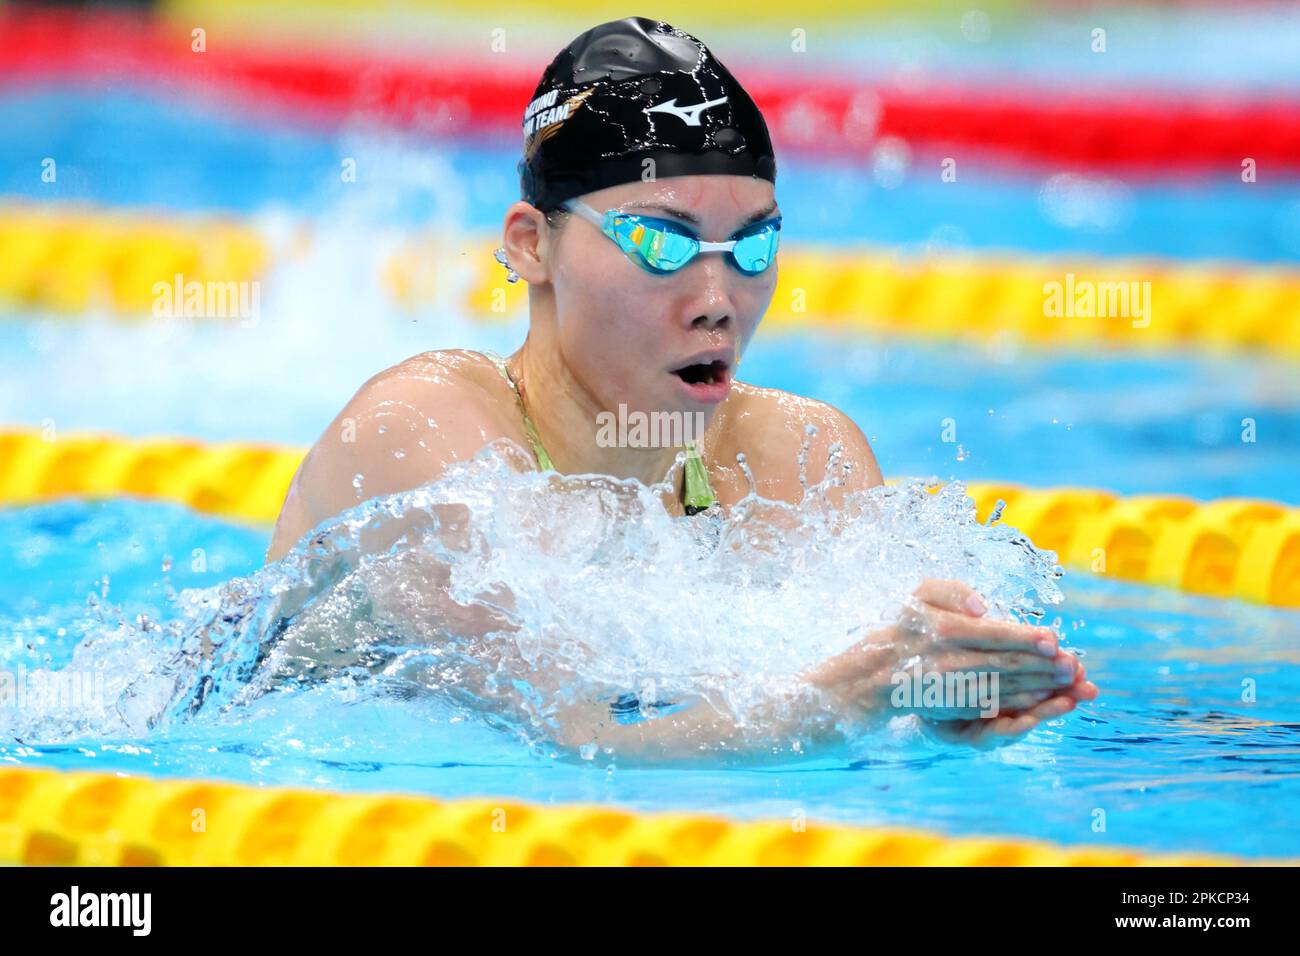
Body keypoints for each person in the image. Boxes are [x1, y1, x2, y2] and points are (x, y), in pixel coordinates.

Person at [265, 16, 1097, 756]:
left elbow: (827, 719)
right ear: (530, 246)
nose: (717, 301)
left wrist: (931, 711)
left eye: (753, 248)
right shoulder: (427, 430)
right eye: (662, 244)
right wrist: (854, 696)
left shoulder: (799, 458)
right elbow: (580, 739)